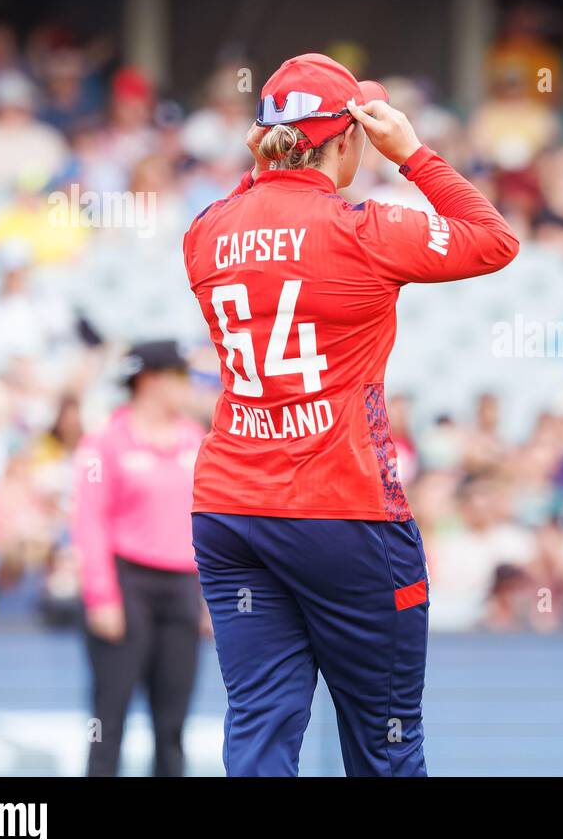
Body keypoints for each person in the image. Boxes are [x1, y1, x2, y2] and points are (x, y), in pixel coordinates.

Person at [184, 53, 518, 776]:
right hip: (343, 508)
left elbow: (250, 213)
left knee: (260, 730)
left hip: (231, 508)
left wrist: (263, 175)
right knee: (386, 744)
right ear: (348, 140)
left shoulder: (206, 231)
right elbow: (495, 240)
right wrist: (415, 155)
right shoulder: (364, 228)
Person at [70, 340, 206, 776]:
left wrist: (208, 595)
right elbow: (89, 520)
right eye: (179, 376)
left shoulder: (194, 440)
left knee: (172, 725)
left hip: (182, 586)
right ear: (150, 380)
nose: (188, 386)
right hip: (127, 583)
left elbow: (208, 521)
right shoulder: (106, 441)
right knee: (109, 719)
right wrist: (101, 595)